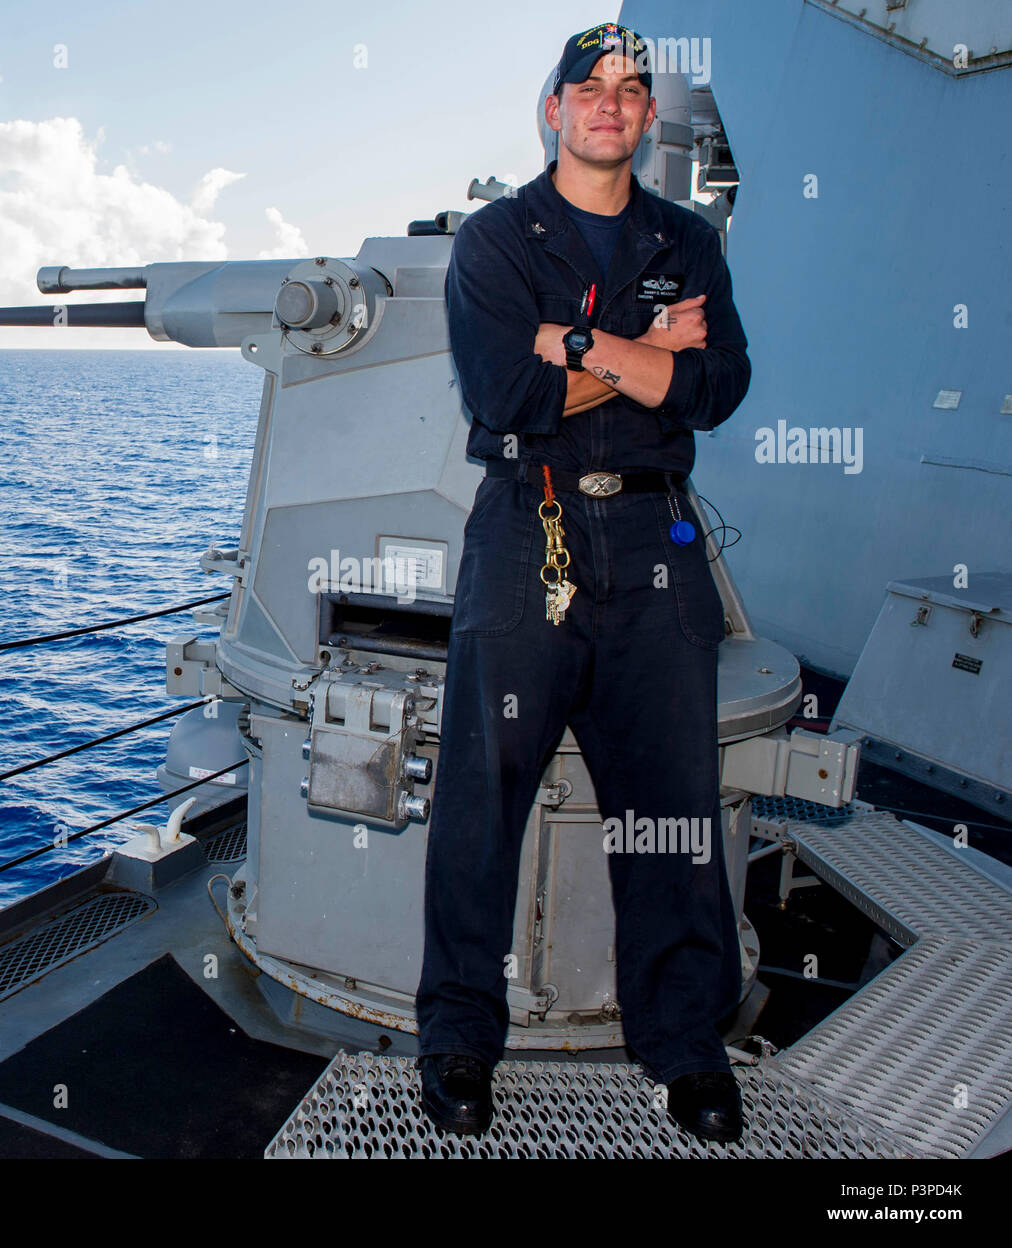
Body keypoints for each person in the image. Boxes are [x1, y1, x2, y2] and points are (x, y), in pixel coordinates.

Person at [416, 22, 752, 1146]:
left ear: (648, 118)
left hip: (653, 544)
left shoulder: (686, 240)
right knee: (480, 806)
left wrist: (582, 345)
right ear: (552, 111)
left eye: (630, 88)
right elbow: (506, 394)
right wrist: (640, 351)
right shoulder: (498, 241)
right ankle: (460, 1039)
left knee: (668, 810)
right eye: (587, 86)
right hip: (530, 532)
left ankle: (685, 1047)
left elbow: (712, 390)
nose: (609, 103)